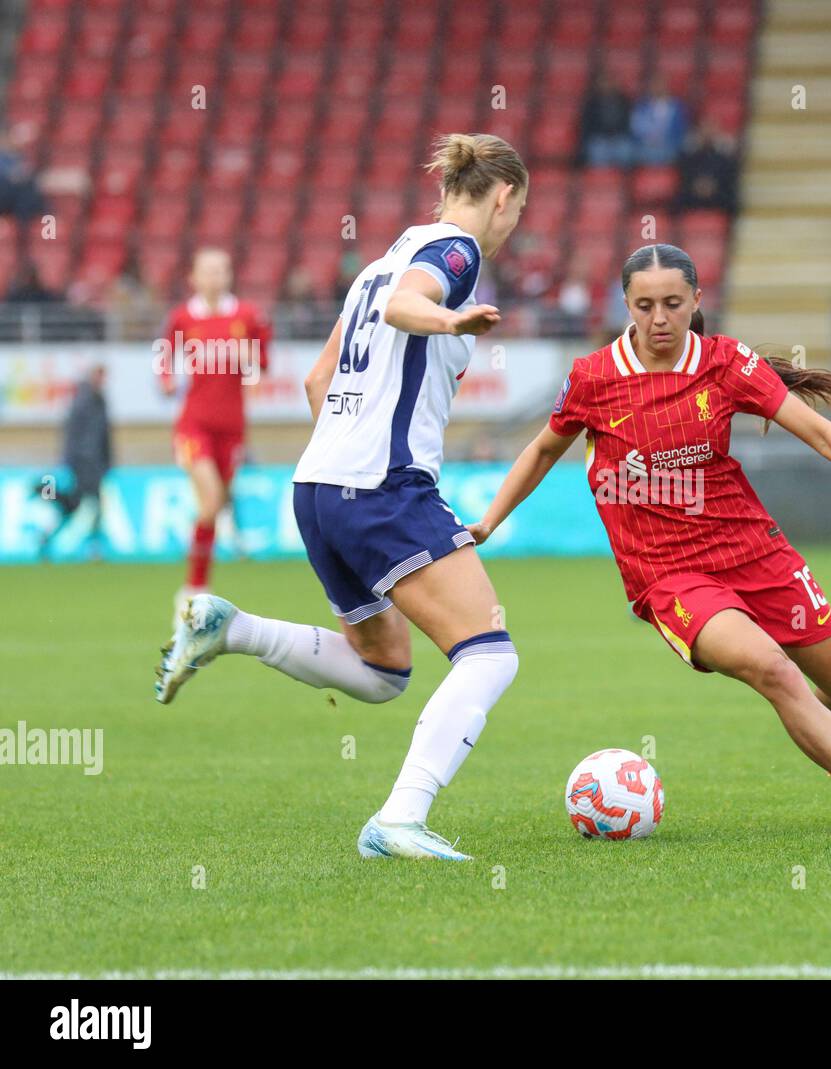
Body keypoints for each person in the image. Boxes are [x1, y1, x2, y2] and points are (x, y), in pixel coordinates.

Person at [470, 244, 831, 837]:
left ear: (697, 300)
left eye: (673, 303)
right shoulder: (594, 378)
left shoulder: (724, 363)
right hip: (668, 574)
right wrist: (490, 520)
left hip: (754, 550)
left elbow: (823, 435)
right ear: (626, 305)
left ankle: (812, 726)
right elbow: (543, 449)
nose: (659, 318)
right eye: (645, 305)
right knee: (773, 670)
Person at [154, 133, 528, 863]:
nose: (512, 225)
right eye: (517, 210)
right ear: (504, 196)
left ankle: (232, 628)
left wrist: (349, 445)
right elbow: (406, 305)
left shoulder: (378, 262)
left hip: (319, 485)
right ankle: (399, 818)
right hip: (382, 487)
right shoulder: (456, 254)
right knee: (490, 654)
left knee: (383, 668)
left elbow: (317, 378)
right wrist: (451, 319)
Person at [158, 248, 272, 624]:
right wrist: (167, 380)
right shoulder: (181, 318)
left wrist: (251, 365)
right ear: (193, 277)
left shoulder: (247, 317)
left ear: (229, 275)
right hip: (194, 424)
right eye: (207, 271)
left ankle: (198, 584)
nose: (214, 277)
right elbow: (164, 362)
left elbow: (263, 364)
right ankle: (192, 589)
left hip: (233, 428)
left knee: (216, 504)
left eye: (221, 270)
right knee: (209, 502)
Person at [34, 364, 112, 557]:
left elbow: (104, 437)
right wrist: (72, 460)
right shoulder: (84, 401)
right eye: (101, 376)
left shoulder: (97, 400)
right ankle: (93, 547)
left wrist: (107, 461)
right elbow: (75, 435)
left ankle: (49, 538)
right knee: (89, 504)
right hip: (83, 464)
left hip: (93, 464)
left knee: (77, 505)